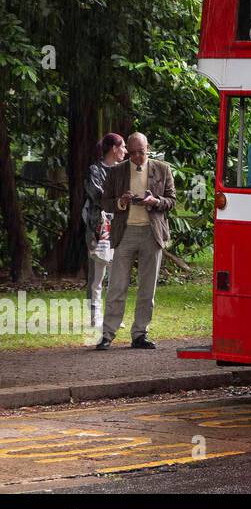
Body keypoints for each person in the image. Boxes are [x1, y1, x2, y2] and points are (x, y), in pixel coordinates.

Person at [95, 132, 176, 350]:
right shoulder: (117, 171)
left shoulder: (162, 169)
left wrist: (155, 201)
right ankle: (107, 335)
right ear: (128, 152)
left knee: (147, 288)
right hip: (126, 232)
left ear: (148, 147)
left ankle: (140, 334)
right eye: (133, 153)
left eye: (142, 151)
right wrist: (121, 202)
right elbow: (105, 201)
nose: (138, 156)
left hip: (152, 233)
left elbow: (172, 200)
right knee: (116, 286)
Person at [82, 133, 125, 331]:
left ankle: (113, 316)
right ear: (114, 149)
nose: (125, 151)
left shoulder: (123, 170)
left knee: (117, 274)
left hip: (119, 226)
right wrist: (118, 199)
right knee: (97, 274)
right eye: (122, 147)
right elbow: (97, 195)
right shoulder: (95, 170)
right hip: (98, 227)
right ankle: (94, 316)